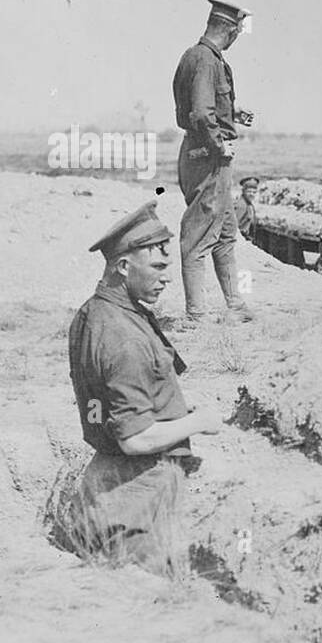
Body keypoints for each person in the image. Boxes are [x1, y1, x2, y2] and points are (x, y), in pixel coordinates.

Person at [65, 202, 224, 576]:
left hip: (103, 485)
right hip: (137, 495)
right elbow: (135, 440)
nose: (166, 278)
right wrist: (199, 421)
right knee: (153, 593)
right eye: (156, 267)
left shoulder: (96, 312)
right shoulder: (123, 337)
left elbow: (116, 398)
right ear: (123, 266)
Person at [172, 0, 256, 323]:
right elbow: (203, 113)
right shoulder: (207, 61)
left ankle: (235, 304)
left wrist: (232, 112)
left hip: (203, 156)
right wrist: (221, 145)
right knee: (197, 237)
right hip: (207, 158)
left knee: (225, 232)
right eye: (237, 31)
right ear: (230, 30)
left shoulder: (194, 56)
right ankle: (197, 315)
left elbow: (199, 102)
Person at [236, 175, 259, 242]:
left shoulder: (249, 204)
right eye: (249, 191)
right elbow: (234, 227)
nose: (251, 194)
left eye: (254, 192)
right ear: (243, 191)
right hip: (240, 241)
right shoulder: (241, 205)